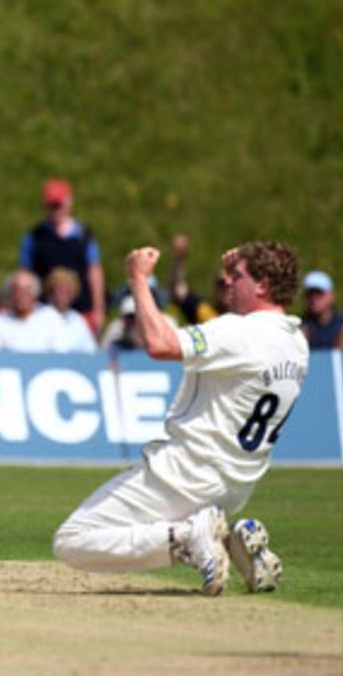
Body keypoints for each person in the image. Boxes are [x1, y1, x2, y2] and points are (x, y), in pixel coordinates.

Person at [53, 241, 308, 596]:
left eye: (236, 277)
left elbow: (160, 344)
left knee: (71, 541)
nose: (226, 283)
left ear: (263, 285)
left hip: (185, 473)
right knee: (195, 515)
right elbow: (240, 339)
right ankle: (230, 537)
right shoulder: (296, 342)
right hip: (235, 487)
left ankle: (189, 536)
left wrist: (138, 280)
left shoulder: (240, 332)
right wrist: (244, 266)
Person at [18, 178, 106, 334]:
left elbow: (94, 271)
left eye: (59, 205)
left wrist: (98, 309)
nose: (56, 210)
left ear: (69, 203)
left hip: (81, 307)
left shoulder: (83, 236)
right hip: (44, 309)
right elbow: (27, 273)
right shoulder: (35, 236)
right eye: (52, 206)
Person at [0, 269, 65, 352]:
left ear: (35, 293)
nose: (21, 295)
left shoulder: (52, 319)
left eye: (27, 290)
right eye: (17, 290)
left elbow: (60, 355)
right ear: (10, 293)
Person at [168, 233, 226, 325]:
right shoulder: (205, 311)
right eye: (221, 285)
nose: (225, 290)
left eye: (228, 286)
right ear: (216, 288)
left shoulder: (247, 317)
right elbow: (178, 290)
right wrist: (180, 259)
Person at [38, 268, 96, 353]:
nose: (63, 295)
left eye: (67, 291)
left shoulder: (78, 319)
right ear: (51, 291)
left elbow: (90, 349)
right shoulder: (40, 316)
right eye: (60, 290)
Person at [300, 270, 343, 349]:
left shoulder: (341, 325)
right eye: (310, 294)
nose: (314, 298)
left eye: (319, 293)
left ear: (331, 295)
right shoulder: (298, 327)